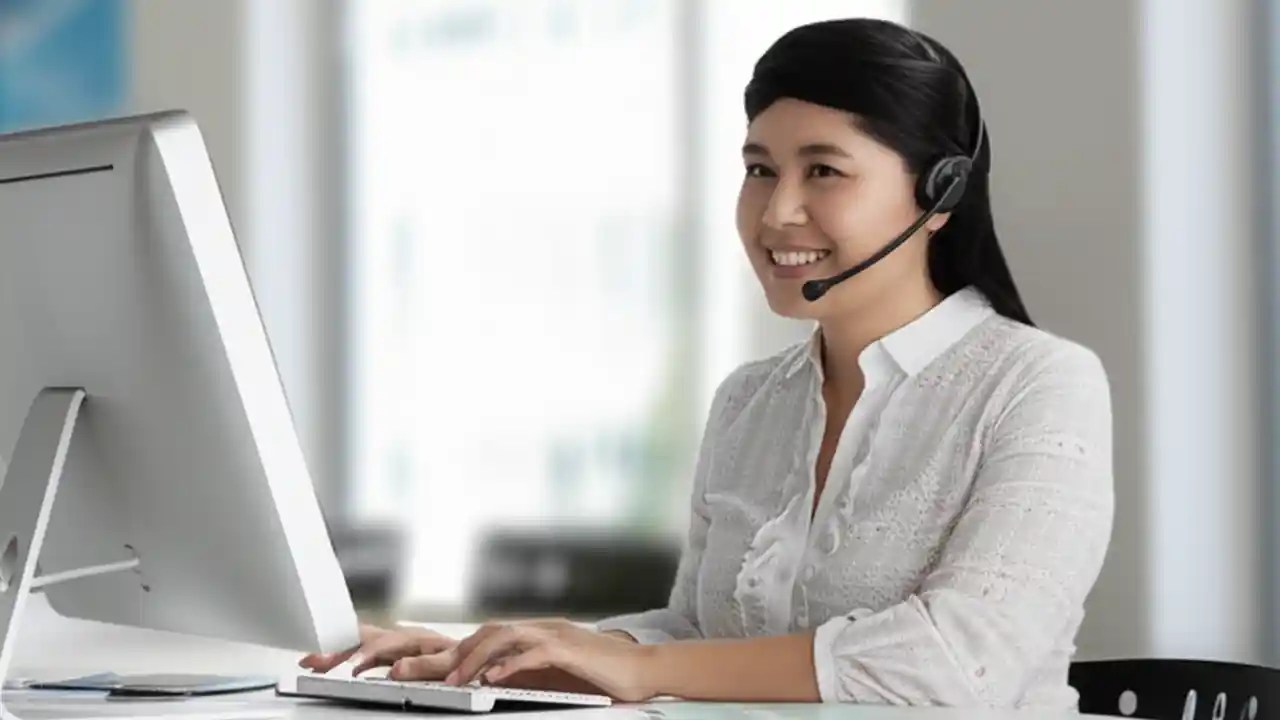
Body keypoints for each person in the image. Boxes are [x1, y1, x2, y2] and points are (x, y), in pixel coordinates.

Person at [300, 17, 1113, 708]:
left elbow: (960, 663)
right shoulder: (751, 401)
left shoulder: (1038, 385)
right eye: (759, 169)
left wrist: (641, 666)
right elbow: (699, 634)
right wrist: (491, 654)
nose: (776, 211)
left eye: (822, 170)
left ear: (939, 196)